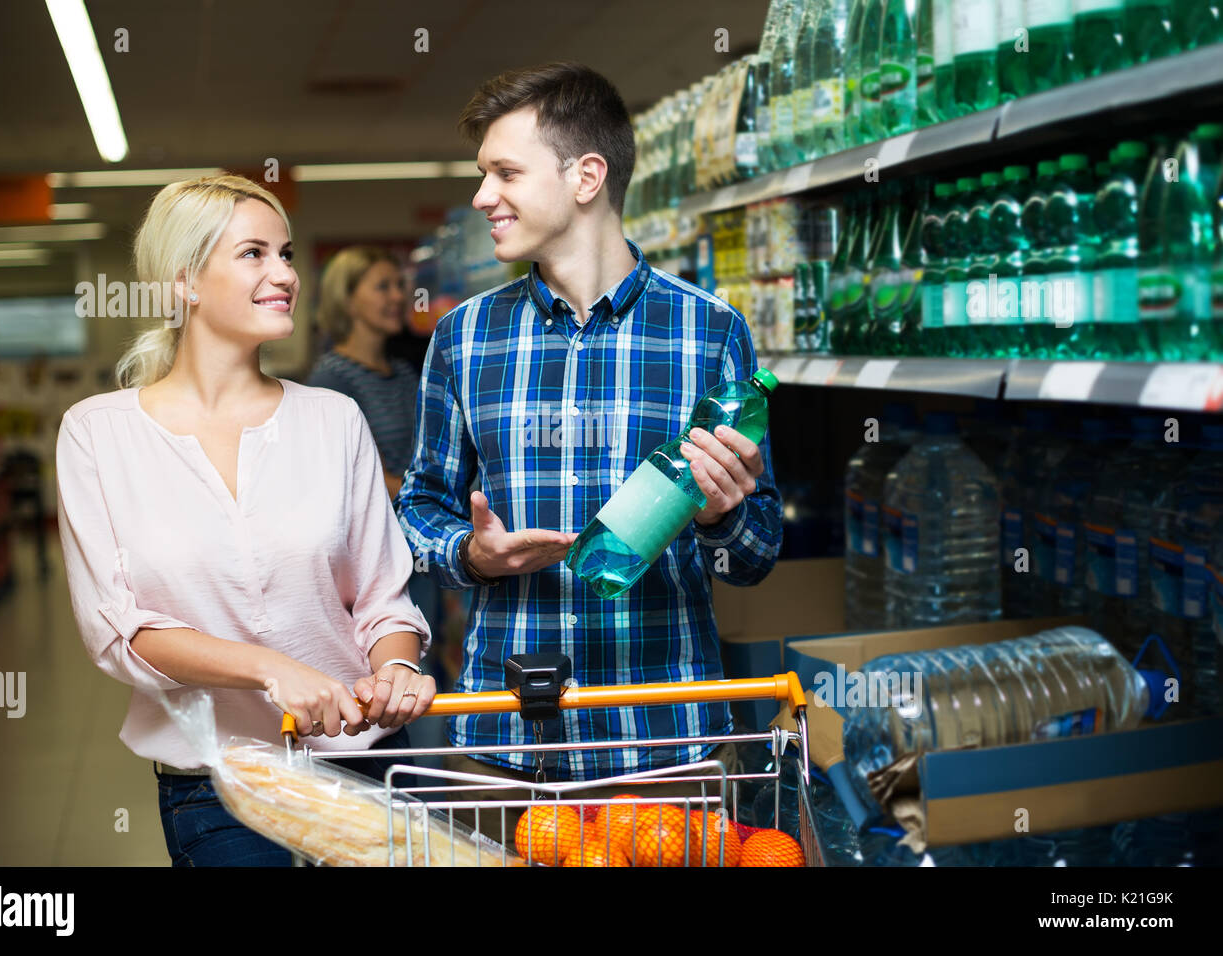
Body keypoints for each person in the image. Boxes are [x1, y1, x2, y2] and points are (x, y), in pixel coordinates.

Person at [396, 63, 782, 843]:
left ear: (586, 177)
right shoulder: (463, 338)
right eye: (483, 175)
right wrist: (471, 555)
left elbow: (756, 553)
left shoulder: (710, 333)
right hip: (505, 742)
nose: (482, 197)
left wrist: (720, 516)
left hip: (664, 742)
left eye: (505, 172)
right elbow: (417, 512)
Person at [56, 175, 434, 866]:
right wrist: (268, 669)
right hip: (218, 780)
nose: (285, 273)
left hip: (363, 766)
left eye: (286, 254)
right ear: (185, 283)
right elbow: (117, 628)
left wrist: (398, 670)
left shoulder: (331, 420)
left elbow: (384, 599)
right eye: (254, 254)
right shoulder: (97, 434)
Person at [306, 248, 441, 644]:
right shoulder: (331, 380)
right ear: (347, 300)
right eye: (383, 287)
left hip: (418, 543)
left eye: (400, 285)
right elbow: (358, 475)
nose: (399, 297)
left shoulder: (403, 373)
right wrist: (434, 500)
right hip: (373, 557)